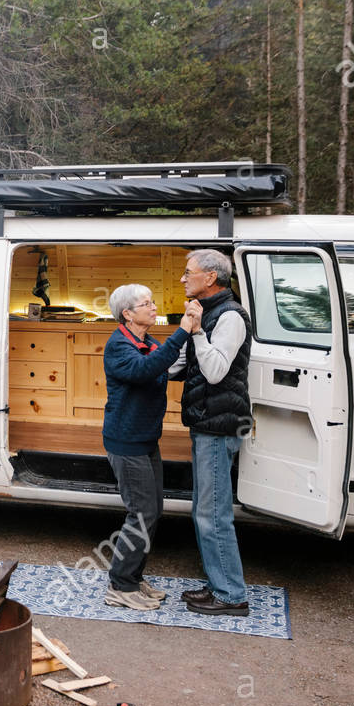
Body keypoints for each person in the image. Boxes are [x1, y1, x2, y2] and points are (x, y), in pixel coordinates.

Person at [101, 284, 199, 610]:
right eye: (146, 304)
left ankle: (132, 577)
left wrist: (194, 339)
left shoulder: (146, 341)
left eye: (152, 302)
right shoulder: (118, 346)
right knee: (141, 513)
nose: (154, 307)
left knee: (152, 511)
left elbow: (165, 364)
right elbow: (146, 370)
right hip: (126, 442)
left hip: (145, 439)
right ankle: (120, 585)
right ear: (128, 313)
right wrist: (183, 329)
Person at [170, 248, 254, 616]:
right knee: (203, 510)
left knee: (213, 513)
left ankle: (232, 596)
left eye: (189, 272)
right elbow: (183, 364)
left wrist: (198, 330)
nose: (183, 278)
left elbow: (216, 370)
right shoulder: (206, 313)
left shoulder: (230, 317)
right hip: (206, 422)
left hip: (219, 427)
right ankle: (217, 585)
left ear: (210, 278)